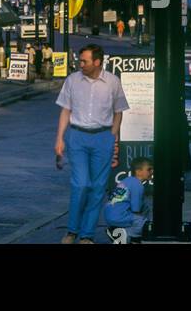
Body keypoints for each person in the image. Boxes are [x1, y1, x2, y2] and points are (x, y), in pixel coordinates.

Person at [54, 44, 129, 244]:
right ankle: (71, 231)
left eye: (84, 61)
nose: (81, 64)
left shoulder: (112, 82)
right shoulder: (72, 80)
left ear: (97, 62)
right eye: (80, 60)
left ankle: (87, 235)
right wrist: (59, 138)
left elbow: (118, 111)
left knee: (97, 188)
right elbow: (65, 110)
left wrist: (111, 136)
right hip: (77, 136)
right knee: (80, 184)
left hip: (102, 137)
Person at [103, 157, 152, 242]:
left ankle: (115, 229)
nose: (152, 171)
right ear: (138, 171)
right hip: (119, 216)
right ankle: (123, 235)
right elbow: (135, 209)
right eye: (149, 169)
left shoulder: (127, 180)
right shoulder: (138, 185)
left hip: (109, 215)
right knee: (142, 223)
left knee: (145, 206)